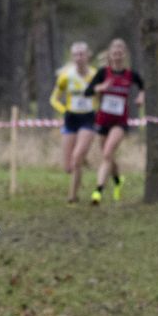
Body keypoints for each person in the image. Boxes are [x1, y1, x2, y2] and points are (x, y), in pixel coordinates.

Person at [84, 38, 144, 205]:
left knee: (107, 153)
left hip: (120, 121)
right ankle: (118, 180)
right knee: (108, 156)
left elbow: (143, 86)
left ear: (125, 55)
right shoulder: (103, 73)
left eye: (120, 53)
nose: (117, 56)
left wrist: (141, 97)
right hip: (103, 120)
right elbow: (87, 91)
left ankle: (98, 191)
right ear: (110, 54)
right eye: (114, 53)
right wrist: (100, 88)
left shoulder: (131, 75)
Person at [50, 42, 97, 203]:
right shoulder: (66, 76)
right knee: (68, 167)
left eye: (81, 54)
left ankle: (72, 196)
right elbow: (54, 98)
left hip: (88, 118)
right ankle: (82, 161)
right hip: (70, 119)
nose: (79, 58)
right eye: (75, 54)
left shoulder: (94, 75)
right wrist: (63, 110)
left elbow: (102, 96)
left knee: (76, 158)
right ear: (72, 57)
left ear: (88, 56)